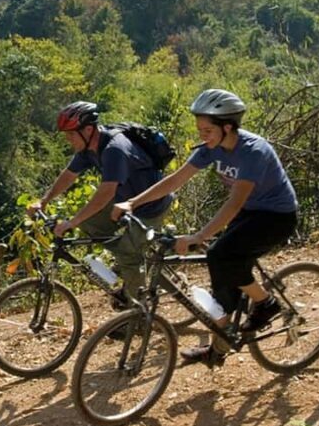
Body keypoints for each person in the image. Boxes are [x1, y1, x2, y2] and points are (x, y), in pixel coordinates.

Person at [112, 89, 298, 368]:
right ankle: (218, 347)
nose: (202, 135)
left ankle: (266, 303)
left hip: (277, 216)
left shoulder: (253, 152)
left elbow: (234, 204)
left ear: (228, 126)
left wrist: (199, 236)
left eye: (207, 129)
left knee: (221, 256)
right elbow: (176, 180)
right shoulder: (212, 149)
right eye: (199, 129)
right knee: (222, 279)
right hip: (250, 212)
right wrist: (133, 202)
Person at [27, 101, 173, 305]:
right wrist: (44, 201)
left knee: (128, 257)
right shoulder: (89, 147)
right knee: (91, 223)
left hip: (150, 205)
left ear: (88, 130)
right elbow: (69, 175)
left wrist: (71, 223)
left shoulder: (114, 149)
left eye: (71, 134)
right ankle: (130, 263)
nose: (68, 140)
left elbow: (105, 193)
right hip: (124, 201)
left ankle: (138, 313)